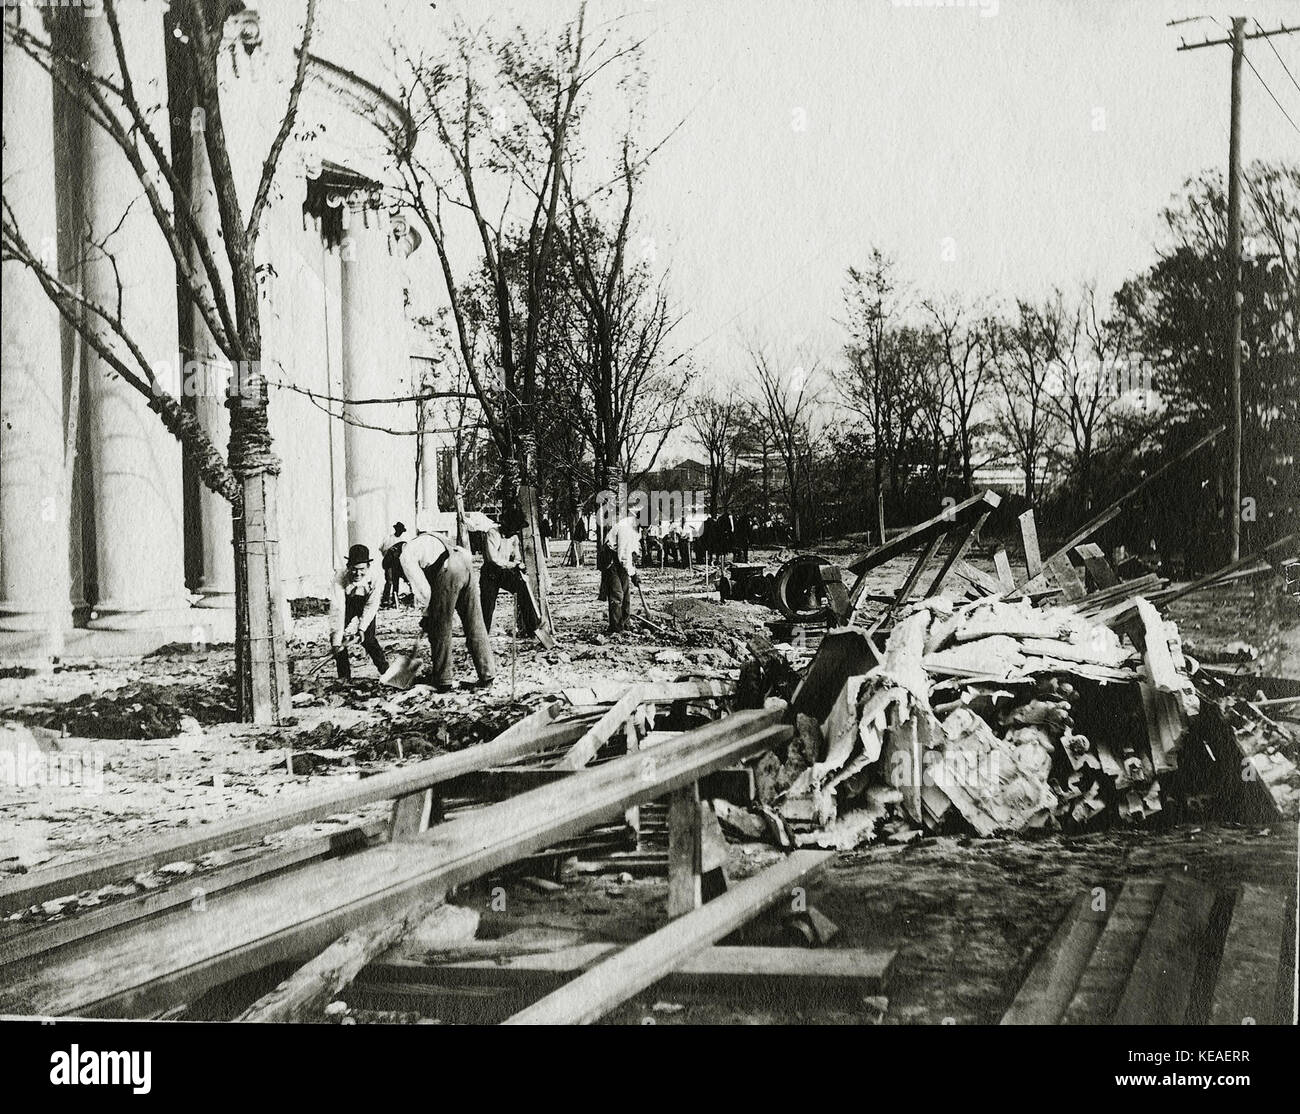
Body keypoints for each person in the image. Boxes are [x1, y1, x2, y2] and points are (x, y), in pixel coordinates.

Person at [399, 528, 496, 692]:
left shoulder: (405, 555)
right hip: (465, 563)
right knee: (475, 622)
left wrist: (428, 613)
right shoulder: (427, 539)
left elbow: (423, 590)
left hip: (448, 569)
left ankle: (443, 680)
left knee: (440, 628)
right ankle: (487, 675)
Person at [329, 544, 389, 680]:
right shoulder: (340, 578)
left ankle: (387, 672)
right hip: (347, 604)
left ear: (368, 567)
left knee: (368, 639)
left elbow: (371, 605)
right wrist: (336, 642)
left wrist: (361, 628)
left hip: (366, 606)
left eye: (362, 569)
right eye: (354, 569)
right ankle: (344, 677)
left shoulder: (375, 578)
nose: (357, 574)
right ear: (348, 566)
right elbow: (338, 609)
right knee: (339, 641)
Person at [480, 524, 527, 634]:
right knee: (488, 604)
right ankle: (483, 632)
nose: (513, 533)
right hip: (491, 572)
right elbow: (493, 558)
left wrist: (518, 563)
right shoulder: (492, 533)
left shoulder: (514, 537)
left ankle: (531, 626)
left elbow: (517, 556)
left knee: (523, 590)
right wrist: (512, 564)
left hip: (505, 571)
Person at [598, 514, 641, 634]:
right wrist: (632, 574)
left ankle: (625, 623)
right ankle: (616, 627)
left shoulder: (636, 528)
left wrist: (633, 566)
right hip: (611, 561)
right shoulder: (625, 528)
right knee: (617, 594)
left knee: (626, 594)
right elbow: (623, 554)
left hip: (622, 561)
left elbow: (633, 550)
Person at [379, 521, 408, 608]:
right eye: (399, 530)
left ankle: (395, 600)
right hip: (389, 563)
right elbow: (381, 548)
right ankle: (385, 600)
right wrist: (389, 552)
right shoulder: (389, 538)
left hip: (398, 564)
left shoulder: (403, 540)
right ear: (396, 529)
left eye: (401, 531)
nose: (400, 532)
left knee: (396, 582)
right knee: (389, 581)